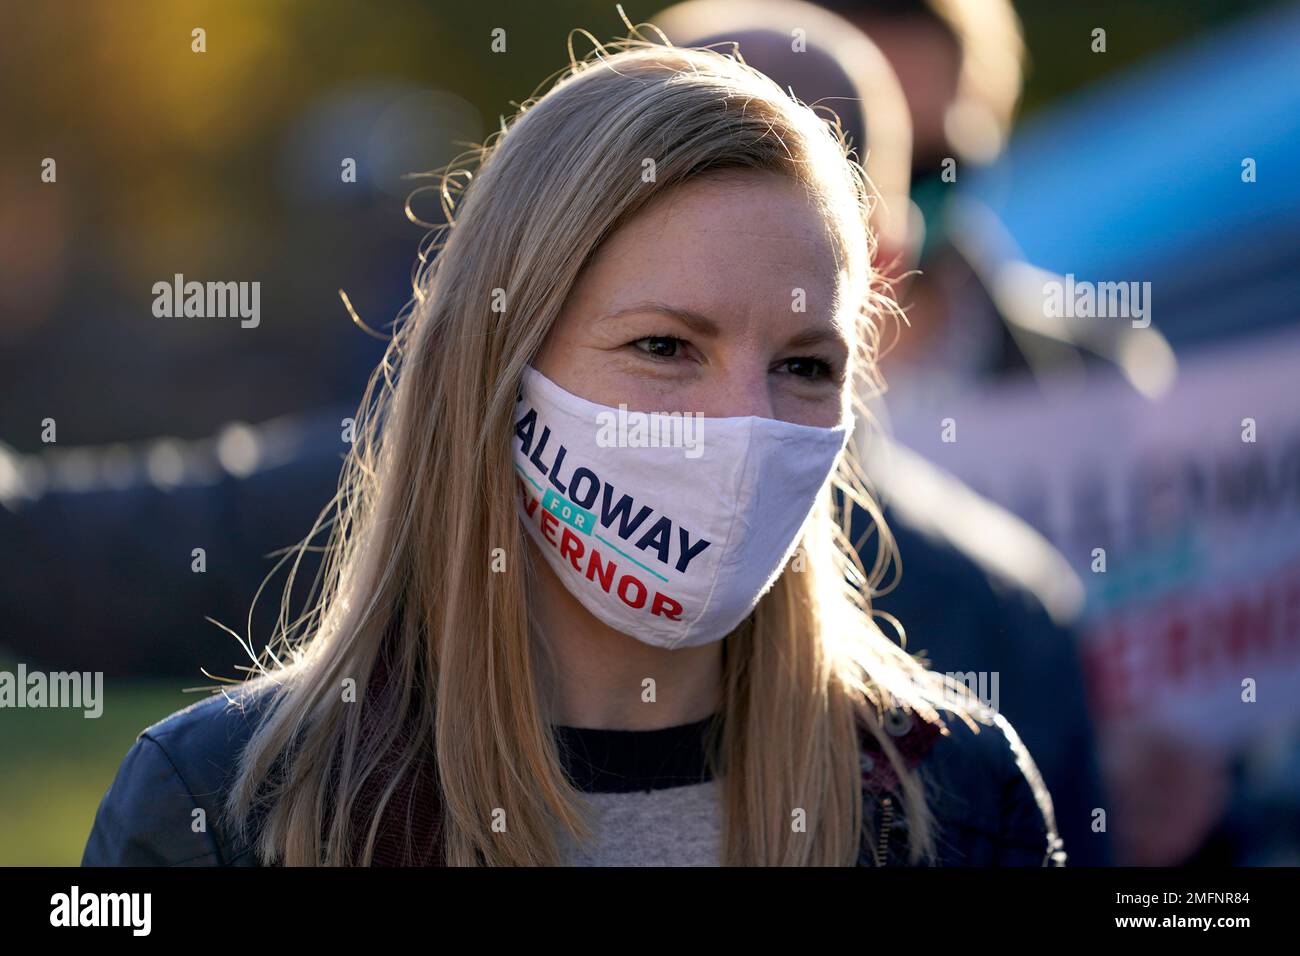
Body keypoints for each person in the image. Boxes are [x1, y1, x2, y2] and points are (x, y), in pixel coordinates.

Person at [81, 33, 1063, 867]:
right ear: (497, 368)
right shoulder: (229, 805)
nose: (742, 419)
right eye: (665, 347)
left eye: (806, 365)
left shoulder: (953, 797)